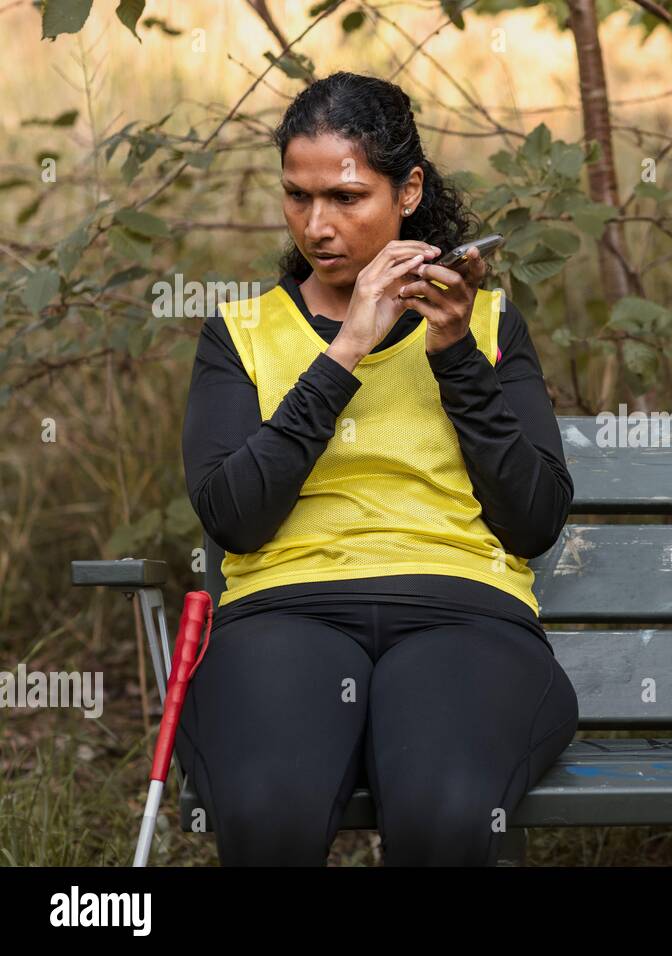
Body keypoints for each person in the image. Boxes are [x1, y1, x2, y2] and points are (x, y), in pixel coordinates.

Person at [174, 71, 579, 866]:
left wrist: (456, 356)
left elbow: (533, 520)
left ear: (409, 191)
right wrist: (345, 351)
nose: (317, 225)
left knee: (446, 817)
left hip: (462, 612)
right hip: (288, 613)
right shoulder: (241, 334)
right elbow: (233, 517)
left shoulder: (488, 323)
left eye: (347, 197)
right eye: (298, 196)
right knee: (267, 815)